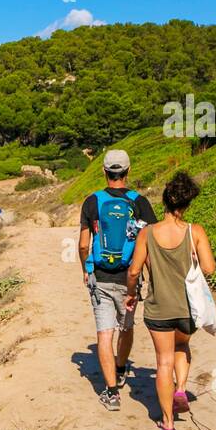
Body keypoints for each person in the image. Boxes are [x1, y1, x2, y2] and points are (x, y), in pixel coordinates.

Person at [126, 172, 215, 430]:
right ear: (186, 205)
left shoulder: (147, 233)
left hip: (158, 308)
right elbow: (209, 268)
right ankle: (180, 389)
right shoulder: (194, 231)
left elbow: (133, 272)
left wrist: (131, 294)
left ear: (163, 201)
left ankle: (167, 421)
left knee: (163, 361)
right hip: (188, 308)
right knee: (182, 347)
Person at [79, 149, 158, 411]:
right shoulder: (140, 202)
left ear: (104, 171)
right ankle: (122, 369)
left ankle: (111, 393)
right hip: (130, 279)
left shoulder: (93, 201)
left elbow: (82, 245)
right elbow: (149, 245)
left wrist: (85, 269)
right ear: (128, 171)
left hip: (100, 277)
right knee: (126, 326)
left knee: (104, 333)